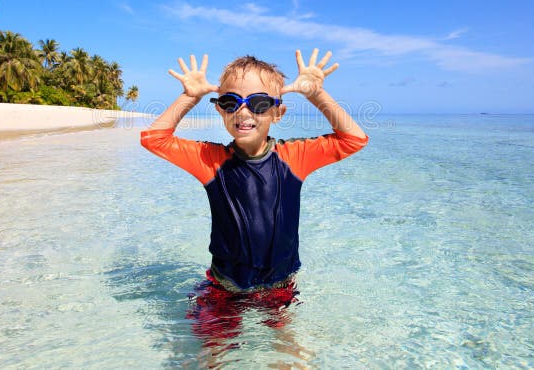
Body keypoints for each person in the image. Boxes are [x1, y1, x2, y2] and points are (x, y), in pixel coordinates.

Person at [140, 49, 368, 340]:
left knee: (287, 347)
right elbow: (153, 139)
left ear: (278, 112)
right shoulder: (210, 160)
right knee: (215, 352)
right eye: (230, 102)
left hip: (279, 286)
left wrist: (316, 95)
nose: (243, 112)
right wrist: (189, 97)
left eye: (259, 103)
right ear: (220, 109)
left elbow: (354, 139)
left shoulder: (294, 157)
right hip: (226, 286)